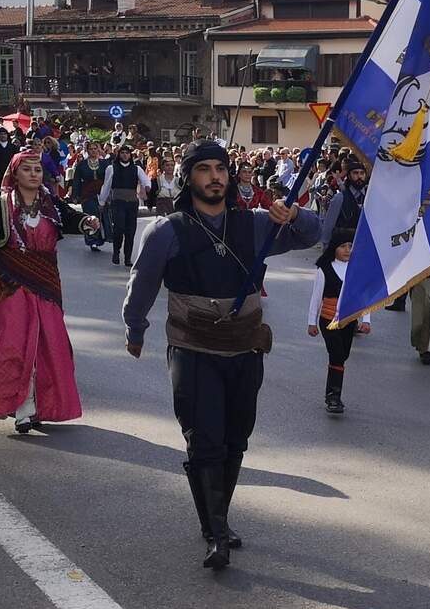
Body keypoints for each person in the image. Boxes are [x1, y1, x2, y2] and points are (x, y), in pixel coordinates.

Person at [121, 141, 320, 568]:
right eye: (204, 169)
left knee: (235, 438)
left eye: (221, 169)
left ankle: (220, 517)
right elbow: (142, 285)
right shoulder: (167, 231)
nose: (215, 177)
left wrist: (295, 215)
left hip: (244, 344)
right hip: (192, 346)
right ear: (188, 176)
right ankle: (214, 532)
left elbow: (314, 234)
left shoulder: (253, 224)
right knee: (204, 437)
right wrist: (135, 327)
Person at [0, 149, 99, 436]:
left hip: (47, 286)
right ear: (15, 174)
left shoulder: (51, 203)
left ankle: (41, 405)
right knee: (15, 346)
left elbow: (71, 219)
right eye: (27, 169)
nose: (34, 174)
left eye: (38, 170)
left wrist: (86, 221)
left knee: (49, 346)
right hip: (11, 285)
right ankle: (22, 406)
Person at [305, 190, 371, 416]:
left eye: (351, 247)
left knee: (342, 356)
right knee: (336, 354)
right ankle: (333, 397)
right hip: (328, 320)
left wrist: (366, 320)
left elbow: (363, 297)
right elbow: (317, 296)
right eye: (344, 246)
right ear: (335, 247)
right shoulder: (324, 269)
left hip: (348, 319)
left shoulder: (356, 271)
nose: (348, 251)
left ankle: (333, 392)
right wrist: (311, 322)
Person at [100, 141, 150, 268]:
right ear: (119, 154)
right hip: (118, 202)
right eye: (122, 153)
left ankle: (128, 257)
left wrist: (147, 186)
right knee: (119, 228)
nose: (125, 155)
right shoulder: (111, 168)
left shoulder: (137, 168)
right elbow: (106, 185)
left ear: (130, 155)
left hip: (132, 203)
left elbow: (145, 180)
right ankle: (116, 252)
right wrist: (102, 200)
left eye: (127, 153)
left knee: (130, 230)